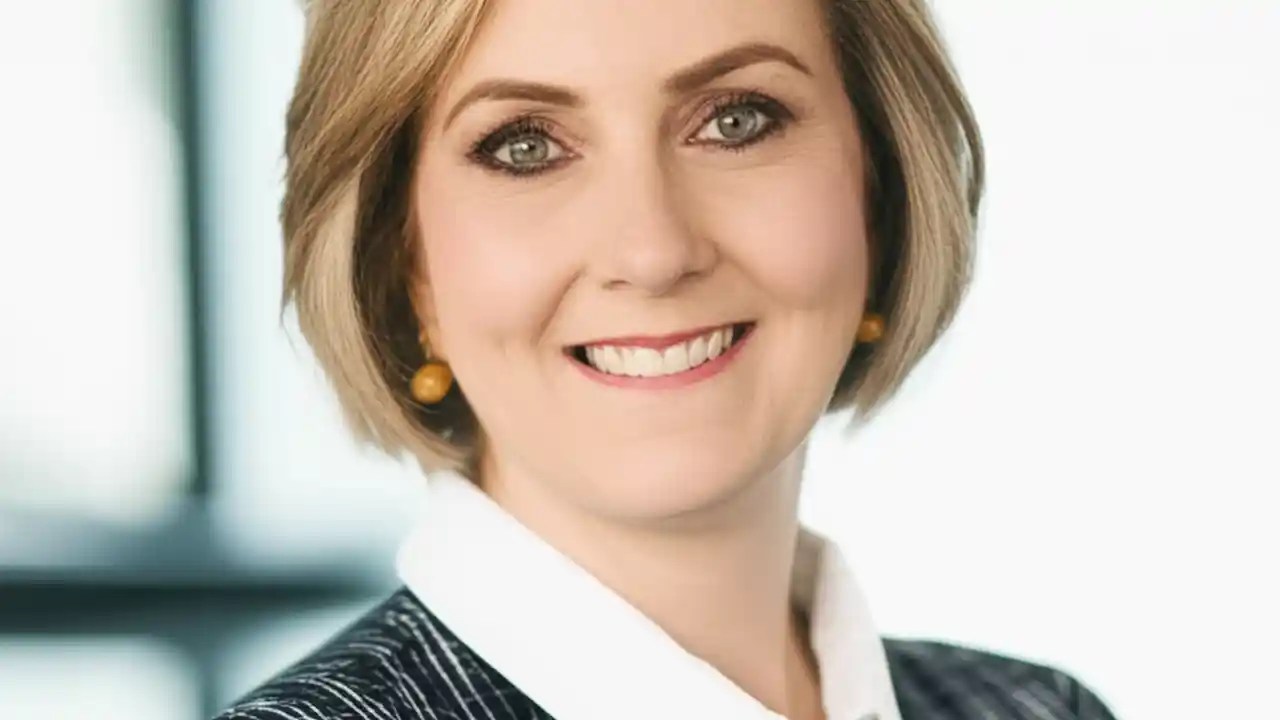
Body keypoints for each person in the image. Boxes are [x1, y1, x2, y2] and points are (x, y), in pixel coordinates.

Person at [216, 0, 1118, 718]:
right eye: (525, 146)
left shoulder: (1039, 710)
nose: (652, 251)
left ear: (879, 193)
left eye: (737, 120)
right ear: (404, 263)